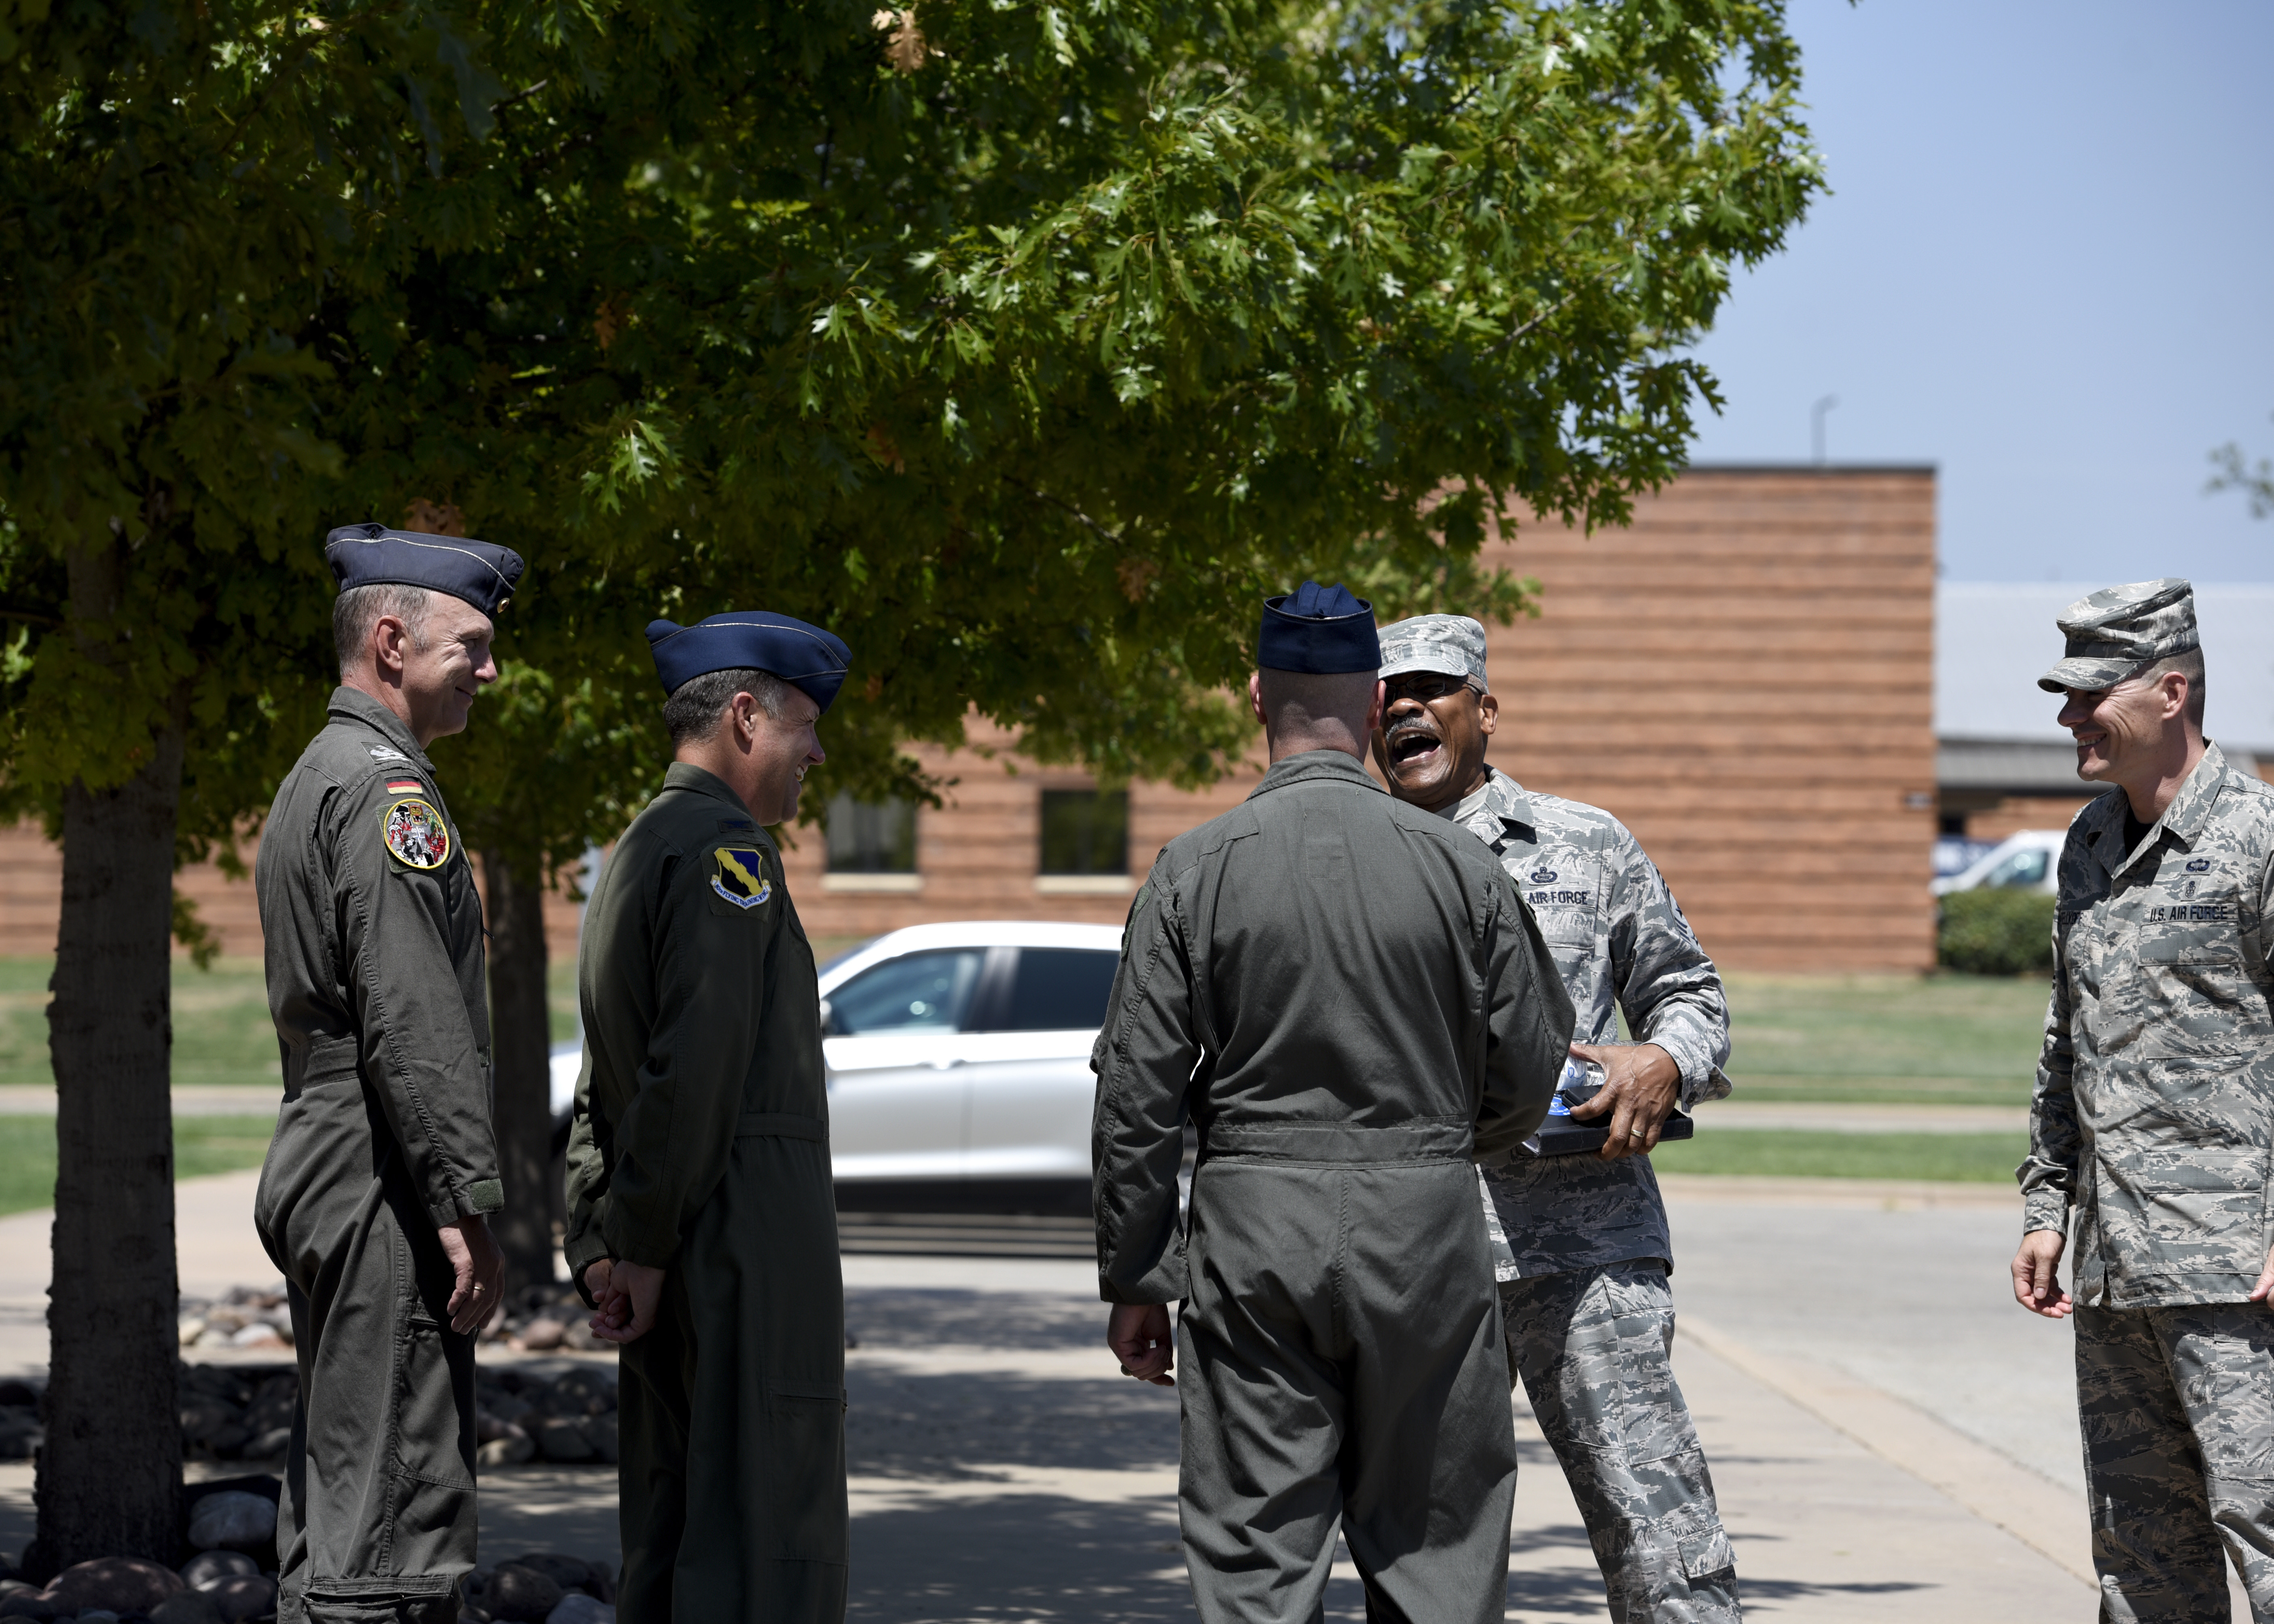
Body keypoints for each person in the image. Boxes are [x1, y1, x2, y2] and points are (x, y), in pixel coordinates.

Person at [1091, 581, 1574, 1624]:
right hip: (1424, 1230)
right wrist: (1441, 1144)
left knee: (1257, 1560)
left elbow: (1137, 1096)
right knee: (1439, 1556)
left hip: (1254, 1231)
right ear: (1375, 704)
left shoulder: (1192, 871)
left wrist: (1136, 1274)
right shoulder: (1463, 866)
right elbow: (1532, 1066)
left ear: (1255, 696)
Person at [1367, 613, 1741, 1623]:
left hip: (1582, 1244)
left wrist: (1665, 1059)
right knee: (1422, 1539)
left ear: (1484, 710)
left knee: (1656, 1525)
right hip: (1410, 1255)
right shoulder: (1349, 854)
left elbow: (1690, 992)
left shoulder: (1586, 841)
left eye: (1431, 689)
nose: (1404, 708)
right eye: (1386, 695)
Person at [256, 521, 524, 1624]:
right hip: (381, 1170)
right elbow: (411, 1019)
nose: (489, 671)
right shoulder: (384, 794)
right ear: (390, 643)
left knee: (342, 1495)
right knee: (389, 1532)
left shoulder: (320, 773)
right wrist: (462, 1205)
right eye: (472, 646)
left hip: (339, 1146)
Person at [563, 609, 854, 1623]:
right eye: (805, 724)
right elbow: (692, 1066)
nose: (817, 752)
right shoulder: (729, 854)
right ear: (744, 716)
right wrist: (638, 1249)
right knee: (763, 1546)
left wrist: (602, 1240)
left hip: (680, 1245)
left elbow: (607, 1080)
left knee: (676, 1534)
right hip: (738, 1251)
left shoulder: (643, 846)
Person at [2010, 578, 2274, 1618]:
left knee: (2265, 1528)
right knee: (2141, 1557)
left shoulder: (2258, 836)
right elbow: (2067, 1041)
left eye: (2092, 694)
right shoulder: (2090, 842)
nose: (2071, 717)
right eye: (2066, 696)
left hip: (2237, 1272)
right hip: (2114, 1266)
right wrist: (2047, 1206)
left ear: (2172, 692)